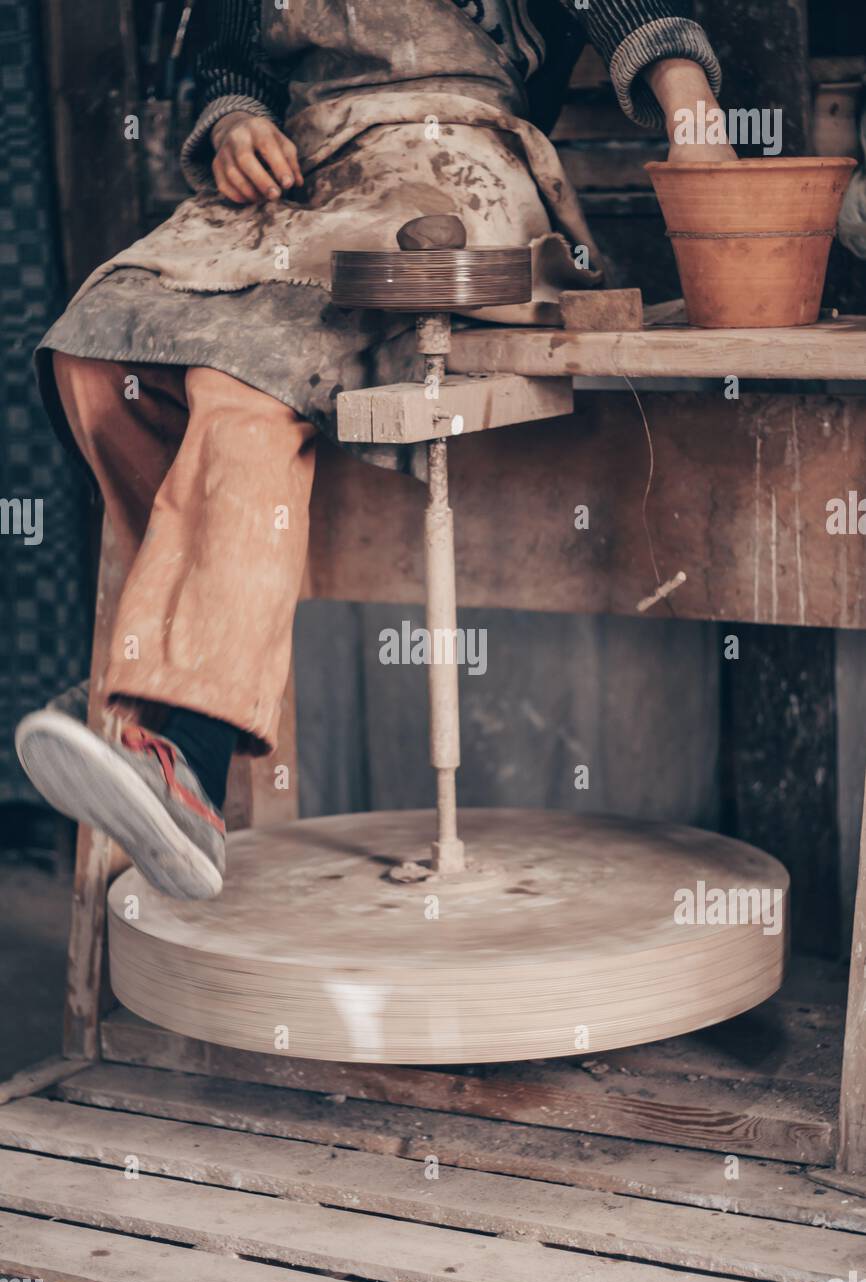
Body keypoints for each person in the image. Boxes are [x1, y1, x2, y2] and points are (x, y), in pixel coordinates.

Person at [16, 0, 733, 901]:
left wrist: (699, 121)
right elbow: (231, 60)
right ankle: (158, 701)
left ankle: (180, 746)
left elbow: (638, 15)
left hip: (446, 174)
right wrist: (236, 123)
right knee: (95, 352)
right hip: (304, 177)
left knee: (240, 382)